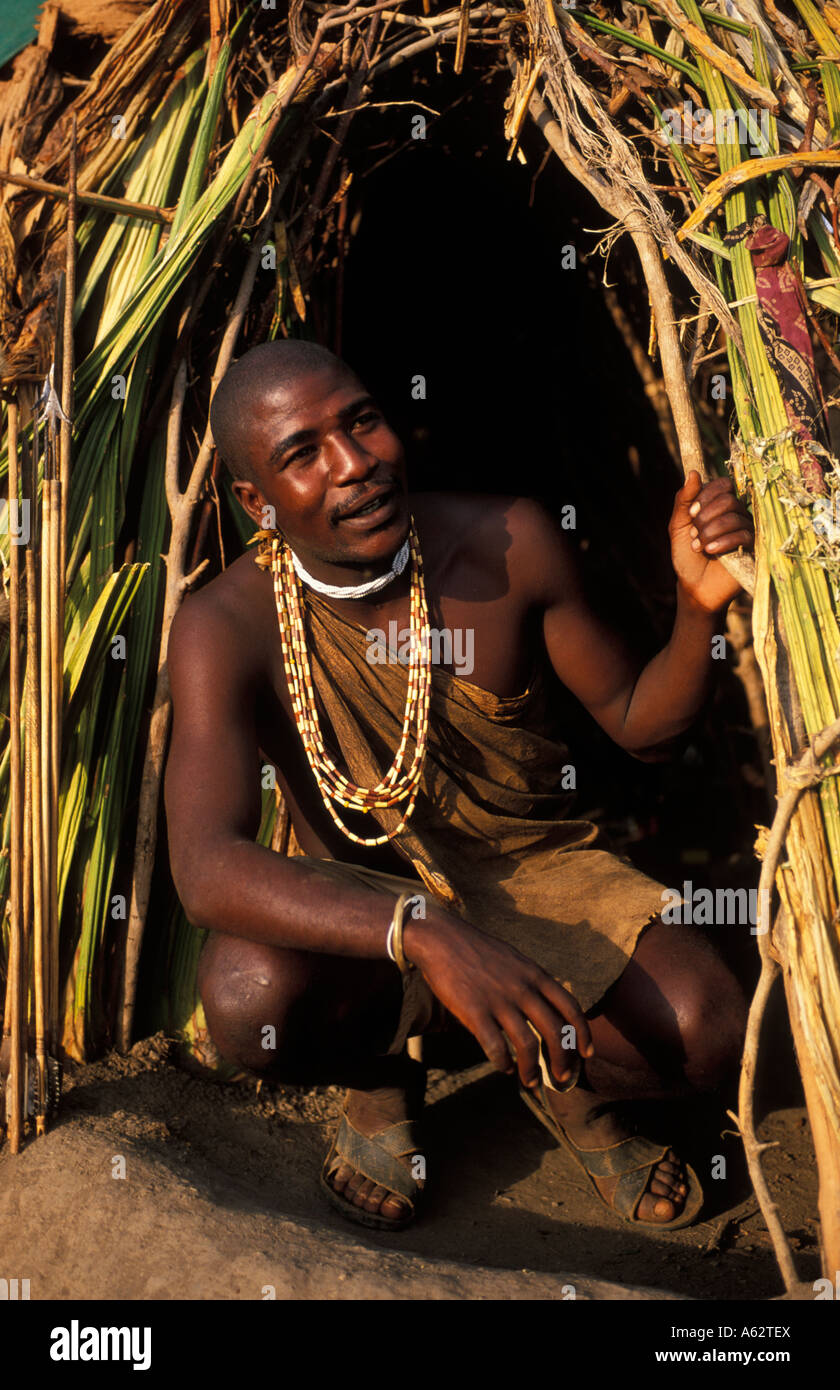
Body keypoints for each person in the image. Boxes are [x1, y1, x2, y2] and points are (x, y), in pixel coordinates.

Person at [164, 339, 752, 1233]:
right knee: (250, 996)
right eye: (304, 453)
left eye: (361, 421)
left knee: (707, 1028)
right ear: (257, 503)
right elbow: (206, 868)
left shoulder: (506, 543)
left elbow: (644, 727)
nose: (355, 463)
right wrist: (422, 930)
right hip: (368, 905)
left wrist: (698, 610)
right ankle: (379, 1078)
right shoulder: (225, 624)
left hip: (536, 871)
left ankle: (567, 1088)